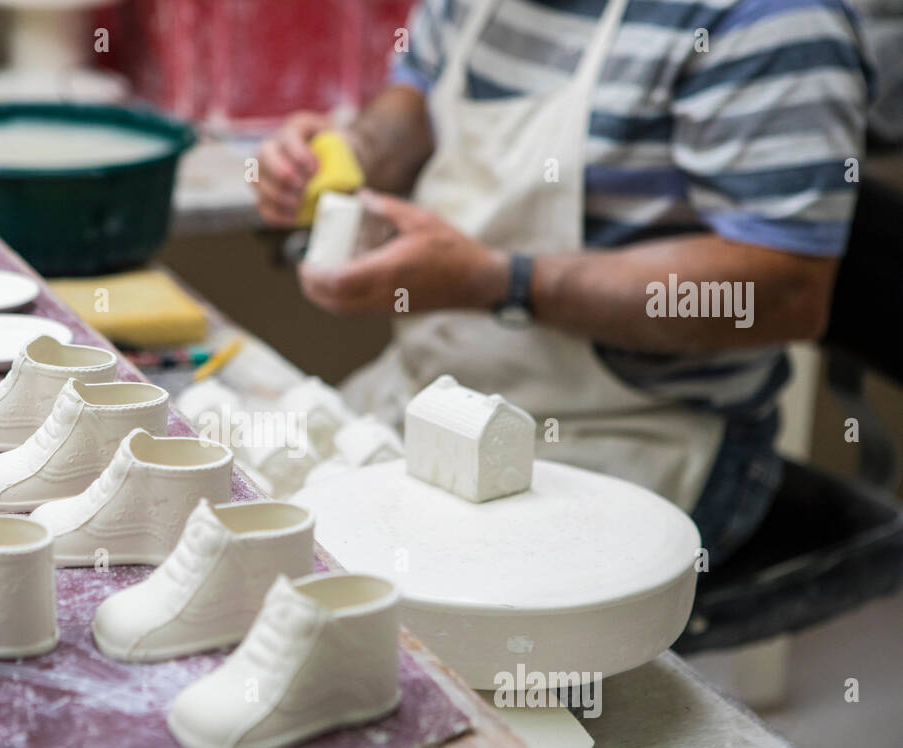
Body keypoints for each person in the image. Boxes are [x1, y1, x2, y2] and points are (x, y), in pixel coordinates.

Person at [255, 0, 873, 563]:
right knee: (256, 508)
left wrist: (498, 283)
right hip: (430, 390)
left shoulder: (770, 22)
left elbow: (786, 290)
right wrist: (352, 154)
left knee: (421, 610)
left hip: (636, 435)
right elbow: (416, 96)